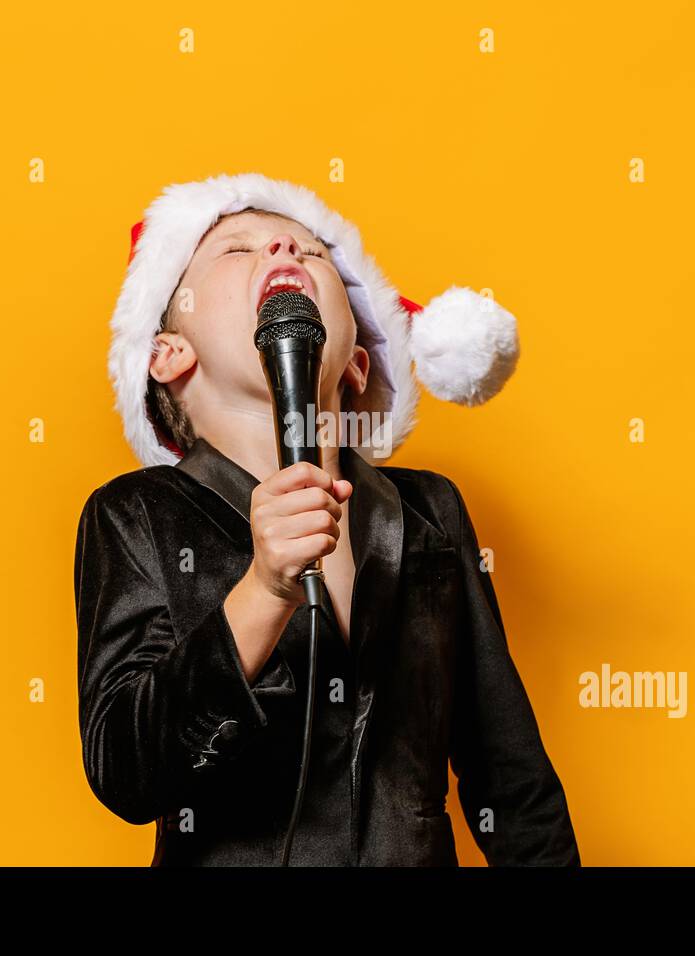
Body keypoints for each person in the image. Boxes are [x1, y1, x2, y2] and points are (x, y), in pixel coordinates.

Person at [75, 172, 579, 866]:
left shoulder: (432, 512)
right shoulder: (137, 516)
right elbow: (126, 771)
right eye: (233, 250)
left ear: (359, 361)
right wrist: (263, 590)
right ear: (168, 355)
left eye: (313, 253)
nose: (284, 243)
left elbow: (511, 776)